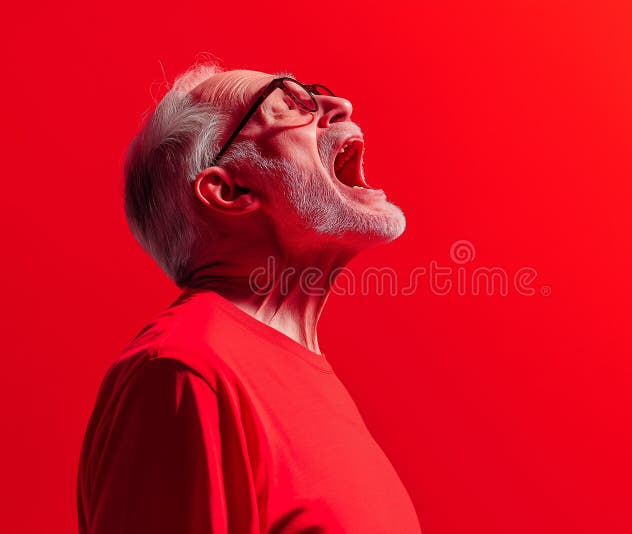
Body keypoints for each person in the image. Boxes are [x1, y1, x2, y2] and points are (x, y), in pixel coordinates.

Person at [77, 64, 421, 534]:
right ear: (230, 191)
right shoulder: (185, 371)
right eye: (289, 103)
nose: (340, 107)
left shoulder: (300, 375)